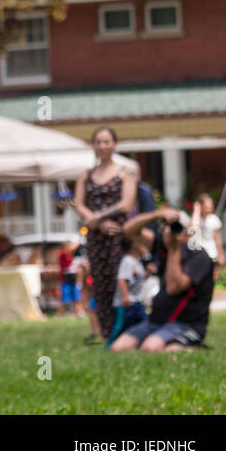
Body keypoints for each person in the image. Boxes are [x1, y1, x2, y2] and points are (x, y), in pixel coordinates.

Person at [112, 207, 215, 352]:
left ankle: (193, 345)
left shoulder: (198, 256)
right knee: (118, 348)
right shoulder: (162, 245)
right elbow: (128, 230)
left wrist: (174, 249)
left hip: (186, 323)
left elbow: (173, 288)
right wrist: (157, 214)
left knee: (150, 347)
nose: (171, 231)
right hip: (157, 320)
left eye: (177, 228)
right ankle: (165, 342)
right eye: (167, 226)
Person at [73, 126, 137, 346]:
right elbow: (78, 203)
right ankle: (107, 331)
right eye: (98, 142)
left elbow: (126, 204)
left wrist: (97, 218)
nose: (102, 146)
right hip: (96, 237)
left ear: (115, 144)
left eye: (106, 141)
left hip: (118, 235)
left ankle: (127, 330)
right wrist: (97, 224)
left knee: (120, 281)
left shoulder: (125, 172)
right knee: (100, 284)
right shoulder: (86, 174)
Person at [108, 236, 146, 345]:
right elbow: (121, 279)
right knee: (120, 325)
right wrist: (125, 297)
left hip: (136, 300)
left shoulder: (137, 261)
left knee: (140, 324)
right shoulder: (127, 261)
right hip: (125, 302)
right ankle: (111, 345)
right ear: (134, 245)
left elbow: (136, 280)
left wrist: (147, 273)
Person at [190, 193, 226, 277]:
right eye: (206, 205)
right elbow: (193, 230)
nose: (209, 207)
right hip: (200, 254)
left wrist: (221, 255)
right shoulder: (196, 218)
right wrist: (196, 210)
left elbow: (217, 238)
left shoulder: (214, 219)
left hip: (212, 254)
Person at [58, 239, 81, 317]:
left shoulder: (70, 255)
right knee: (64, 298)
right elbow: (72, 248)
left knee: (77, 297)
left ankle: (77, 313)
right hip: (66, 279)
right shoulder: (62, 254)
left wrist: (81, 237)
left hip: (73, 278)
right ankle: (59, 314)